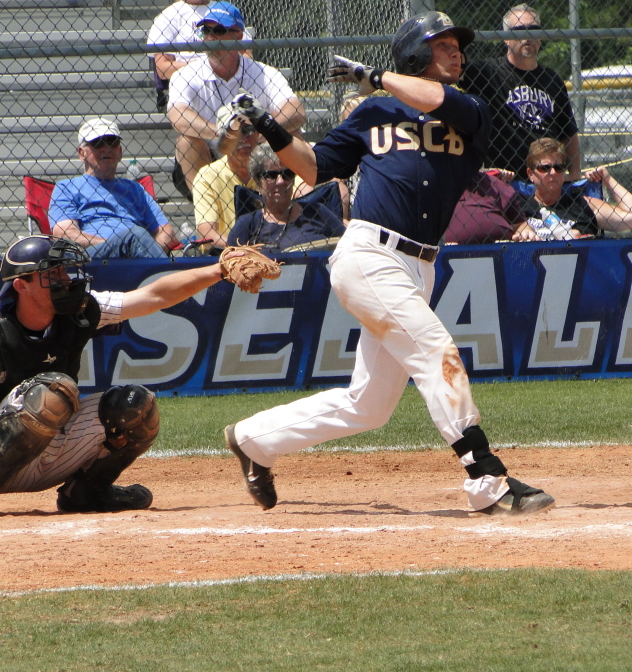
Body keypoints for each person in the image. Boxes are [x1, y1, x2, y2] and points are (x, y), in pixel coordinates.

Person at [223, 11, 556, 515]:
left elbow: (436, 101)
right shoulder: (372, 114)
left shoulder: (469, 110)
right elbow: (315, 168)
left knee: (370, 406)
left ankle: (253, 440)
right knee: (435, 349)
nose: (456, 52)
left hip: (419, 266)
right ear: (416, 55)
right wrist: (269, 126)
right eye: (443, 45)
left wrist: (374, 77)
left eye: (455, 44)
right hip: (369, 254)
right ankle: (486, 479)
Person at [0, 235, 230, 521]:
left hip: (48, 445)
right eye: (52, 273)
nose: (64, 279)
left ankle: (87, 492)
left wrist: (219, 269)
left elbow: (155, 295)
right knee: (51, 392)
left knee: (137, 406)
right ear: (21, 285)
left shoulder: (79, 311)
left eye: (63, 269)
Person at [166, 1, 305, 196]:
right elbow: (178, 117)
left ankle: (294, 206)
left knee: (294, 134)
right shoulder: (186, 74)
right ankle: (206, 213)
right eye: (206, 30)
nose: (210, 36)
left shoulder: (264, 72)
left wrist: (259, 131)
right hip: (213, 153)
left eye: (219, 30)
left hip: (258, 150)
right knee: (185, 142)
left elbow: (296, 111)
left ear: (238, 35)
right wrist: (226, 134)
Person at [462, 4, 581, 179]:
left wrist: (575, 175)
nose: (528, 36)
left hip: (547, 180)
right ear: (505, 38)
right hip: (505, 180)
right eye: (519, 29)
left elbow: (568, 133)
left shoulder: (552, 79)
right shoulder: (487, 73)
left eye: (534, 29)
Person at [49, 117, 177, 259]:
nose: (106, 148)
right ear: (82, 153)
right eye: (97, 143)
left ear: (120, 152)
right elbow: (64, 234)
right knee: (135, 236)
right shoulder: (67, 188)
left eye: (112, 142)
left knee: (136, 237)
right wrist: (121, 246)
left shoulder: (135, 189)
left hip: (137, 258)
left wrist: (142, 249)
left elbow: (167, 232)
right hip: (93, 258)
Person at [519, 138, 632, 239]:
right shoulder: (519, 206)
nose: (552, 173)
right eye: (545, 168)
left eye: (559, 168)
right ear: (530, 174)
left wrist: (608, 180)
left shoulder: (582, 204)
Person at [228, 144, 345, 251]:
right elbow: (229, 264)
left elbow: (347, 243)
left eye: (287, 174)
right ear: (258, 181)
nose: (280, 181)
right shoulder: (248, 224)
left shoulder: (317, 212)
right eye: (271, 175)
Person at [145, 0, 253, 113]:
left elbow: (246, 54)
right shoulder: (168, 16)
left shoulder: (223, 10)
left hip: (230, 82)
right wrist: (205, 66)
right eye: (206, 30)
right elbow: (163, 68)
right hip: (191, 86)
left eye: (219, 31)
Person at [192, 126, 260, 250]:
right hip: (225, 254)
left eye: (247, 131)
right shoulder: (208, 176)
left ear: (257, 134)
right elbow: (207, 234)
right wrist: (243, 248)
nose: (242, 139)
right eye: (233, 134)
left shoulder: (273, 171)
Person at [444, 170, 539, 244]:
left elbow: (519, 223)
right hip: (450, 258)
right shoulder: (434, 185)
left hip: (502, 255)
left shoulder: (496, 185)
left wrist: (526, 231)